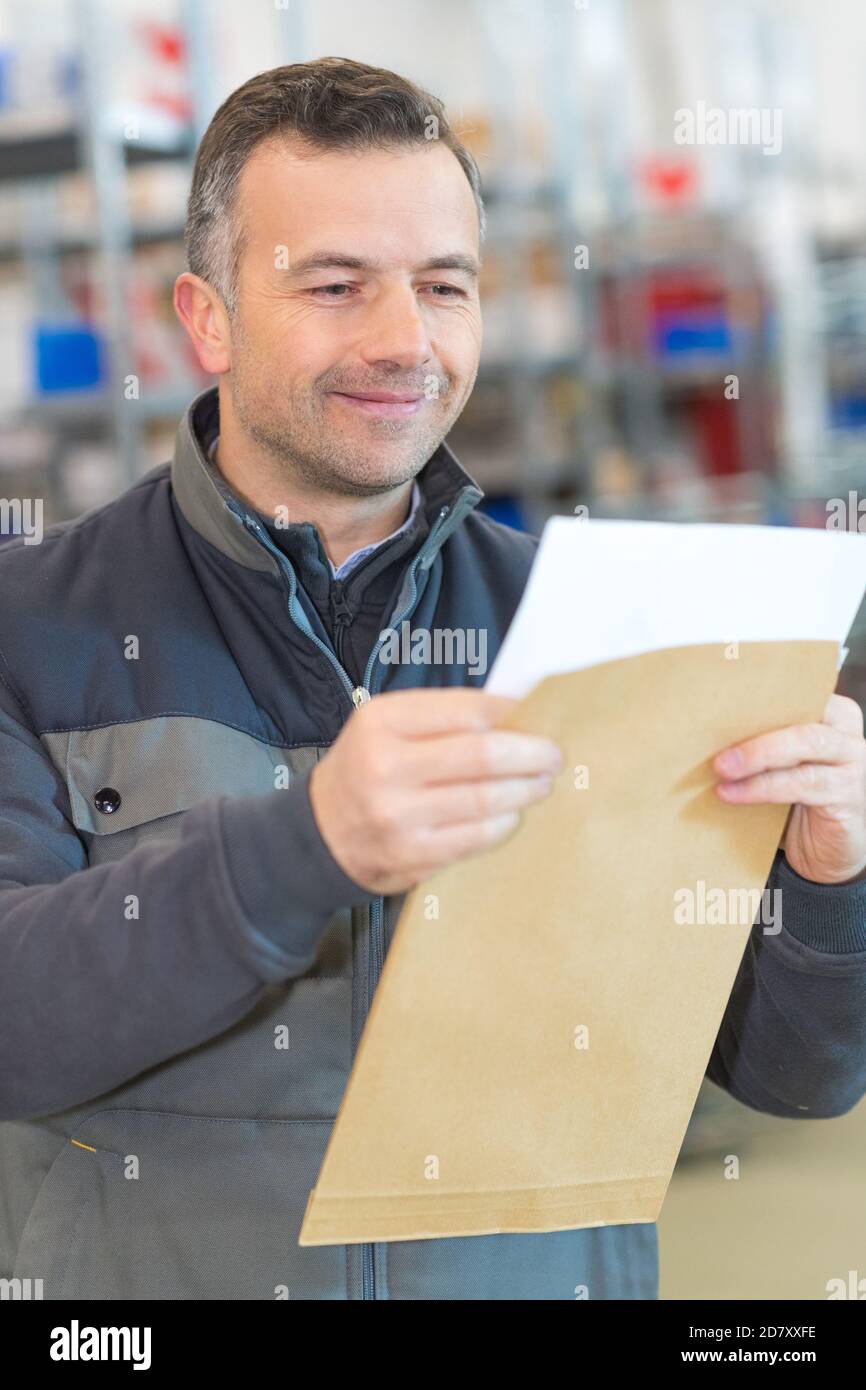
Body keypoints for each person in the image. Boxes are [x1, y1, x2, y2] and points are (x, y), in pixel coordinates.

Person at [2, 58, 866, 1302]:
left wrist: (828, 885)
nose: (404, 340)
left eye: (443, 287)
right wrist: (309, 845)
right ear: (203, 317)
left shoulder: (598, 631)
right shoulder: (33, 625)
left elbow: (790, 1073)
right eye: (337, 285)